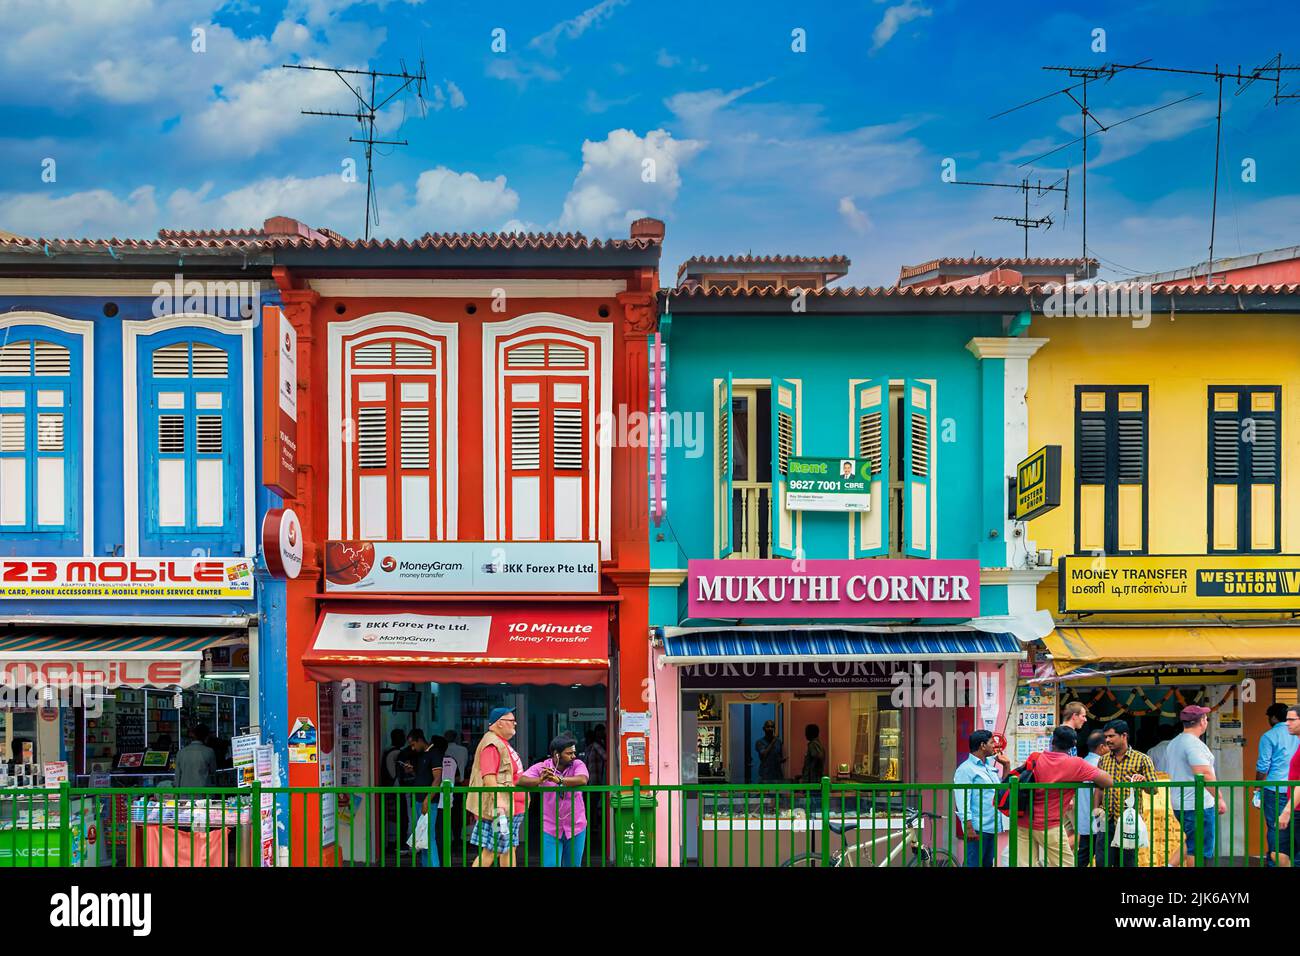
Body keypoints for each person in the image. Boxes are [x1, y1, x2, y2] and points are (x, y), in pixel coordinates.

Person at [1016, 725, 1113, 868]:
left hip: (1023, 821)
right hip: (1049, 824)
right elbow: (1108, 781)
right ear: (1073, 745)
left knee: (1026, 864)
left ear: (1052, 741)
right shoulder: (1076, 764)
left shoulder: (1036, 757)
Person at [1165, 705, 1226, 867]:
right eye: (1205, 718)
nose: (1207, 720)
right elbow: (1204, 773)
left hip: (1181, 802)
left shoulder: (1175, 743)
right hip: (1197, 804)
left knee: (1192, 841)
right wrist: (1219, 798)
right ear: (1201, 721)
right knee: (1198, 848)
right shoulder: (1193, 744)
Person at [467, 707, 528, 867]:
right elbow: (489, 777)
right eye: (511, 720)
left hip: (509, 809)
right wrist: (499, 803)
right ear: (499, 723)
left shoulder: (500, 743)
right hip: (500, 810)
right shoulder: (492, 745)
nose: (514, 723)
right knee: (492, 850)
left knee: (508, 848)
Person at [519, 734, 589, 866]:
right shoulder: (543, 766)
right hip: (551, 827)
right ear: (556, 755)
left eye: (574, 752)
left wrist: (559, 780)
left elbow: (583, 779)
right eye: (569, 753)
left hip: (576, 826)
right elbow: (521, 780)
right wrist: (540, 780)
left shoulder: (577, 764)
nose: (573, 756)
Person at [1097, 719, 1158, 867]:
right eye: (1106, 737)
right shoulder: (1103, 760)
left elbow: (1154, 789)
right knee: (1102, 861)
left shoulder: (1143, 759)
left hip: (1128, 821)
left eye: (1111, 736)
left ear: (1124, 736)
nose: (1107, 740)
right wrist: (1096, 811)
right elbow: (1099, 788)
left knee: (1127, 862)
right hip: (1106, 819)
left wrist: (1143, 782)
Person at [952, 730, 1010, 867]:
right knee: (973, 863)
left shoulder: (988, 768)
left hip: (991, 826)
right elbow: (962, 799)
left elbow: (1001, 791)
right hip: (977, 828)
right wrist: (968, 826)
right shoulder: (965, 769)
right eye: (991, 743)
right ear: (982, 745)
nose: (994, 746)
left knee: (987, 864)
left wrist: (1006, 766)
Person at [1254, 702, 1299, 866]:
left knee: (1275, 826)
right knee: (1294, 827)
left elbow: (1263, 766)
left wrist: (1257, 788)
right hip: (1294, 790)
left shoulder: (1269, 736)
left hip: (1275, 789)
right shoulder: (1295, 734)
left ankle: (1274, 861)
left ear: (1273, 717)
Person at [400, 729, 444, 867]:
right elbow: (423, 776)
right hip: (419, 801)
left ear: (420, 740)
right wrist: (411, 770)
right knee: (422, 837)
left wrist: (427, 800)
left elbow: (437, 779)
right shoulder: (422, 756)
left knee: (429, 837)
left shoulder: (435, 753)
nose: (412, 748)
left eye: (413, 744)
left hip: (428, 802)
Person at [1074, 730, 1108, 867]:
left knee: (1084, 854)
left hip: (1084, 819)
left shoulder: (1082, 762)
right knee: (1101, 855)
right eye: (1107, 744)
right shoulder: (1100, 764)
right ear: (1101, 747)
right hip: (1098, 819)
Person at [1270, 705, 1300, 858]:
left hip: (1295, 809)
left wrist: (1286, 811)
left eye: (1291, 719)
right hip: (1294, 808)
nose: (1287, 723)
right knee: (1278, 853)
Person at [175, 724, 217, 789]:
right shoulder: (209, 751)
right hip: (203, 792)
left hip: (184, 793)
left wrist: (177, 793)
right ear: (206, 737)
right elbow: (213, 770)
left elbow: (177, 776)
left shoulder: (181, 752)